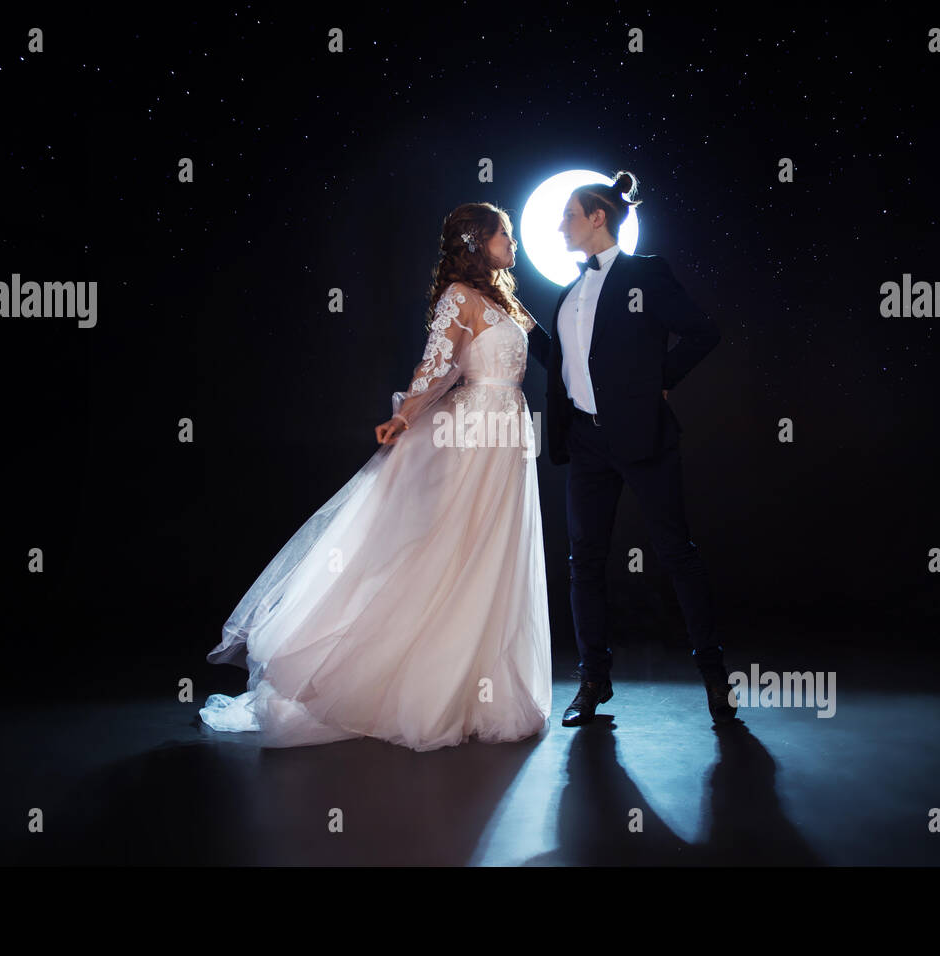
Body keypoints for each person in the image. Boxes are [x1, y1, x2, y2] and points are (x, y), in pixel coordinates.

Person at [200, 203, 554, 752]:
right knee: (452, 549)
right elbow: (435, 366)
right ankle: (415, 680)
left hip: (507, 436)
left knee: (495, 553)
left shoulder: (503, 299)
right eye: (505, 235)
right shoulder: (459, 297)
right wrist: (405, 415)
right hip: (475, 435)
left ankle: (483, 684)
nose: (514, 243)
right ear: (477, 242)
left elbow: (547, 348)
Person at [546, 170, 737, 726]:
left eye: (569, 215)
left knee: (678, 553)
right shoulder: (569, 292)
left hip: (643, 435)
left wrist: (662, 379)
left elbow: (702, 331)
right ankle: (593, 683)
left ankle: (714, 679)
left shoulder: (645, 276)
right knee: (585, 562)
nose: (561, 225)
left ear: (597, 218)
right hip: (585, 442)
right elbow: (566, 365)